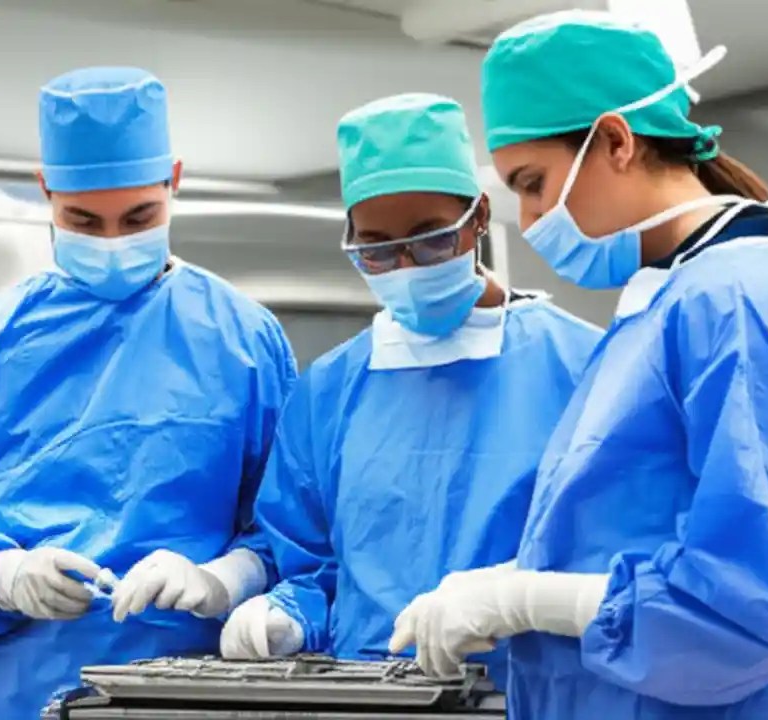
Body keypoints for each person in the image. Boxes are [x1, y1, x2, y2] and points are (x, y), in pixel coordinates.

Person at [388, 11, 768, 720]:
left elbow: (755, 601)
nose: (527, 219)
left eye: (532, 182)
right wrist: (519, 585)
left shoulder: (740, 296)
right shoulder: (667, 300)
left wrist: (526, 599)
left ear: (615, 140)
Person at [0, 66, 297, 719]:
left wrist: (224, 581)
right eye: (84, 220)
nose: (113, 242)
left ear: (175, 179)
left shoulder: (246, 341)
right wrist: (1, 578)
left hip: (193, 695)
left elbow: (290, 528)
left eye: (139, 216)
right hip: (19, 694)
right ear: (45, 190)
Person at [198, 93, 601, 694]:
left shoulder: (582, 364)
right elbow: (310, 564)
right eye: (378, 250)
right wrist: (284, 616)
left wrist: (518, 602)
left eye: (432, 239)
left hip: (537, 695)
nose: (407, 266)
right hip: (370, 698)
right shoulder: (329, 392)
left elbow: (616, 555)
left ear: (480, 216)